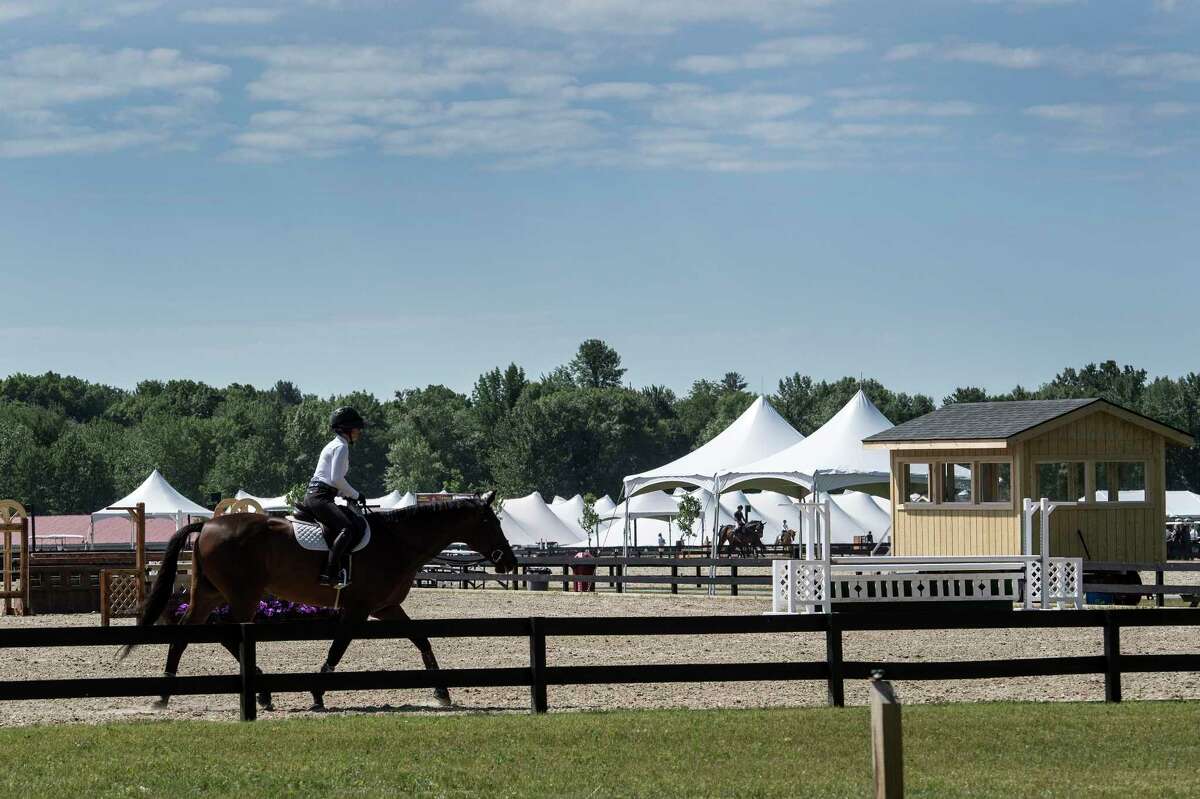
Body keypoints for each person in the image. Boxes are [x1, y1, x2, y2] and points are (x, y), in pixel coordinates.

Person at [297, 406, 368, 588]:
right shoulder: (341, 447)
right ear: (346, 429)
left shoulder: (334, 444)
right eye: (356, 428)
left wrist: (347, 495)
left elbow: (332, 480)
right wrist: (356, 494)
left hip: (319, 494)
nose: (359, 432)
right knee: (347, 528)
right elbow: (337, 478)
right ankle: (329, 573)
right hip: (320, 497)